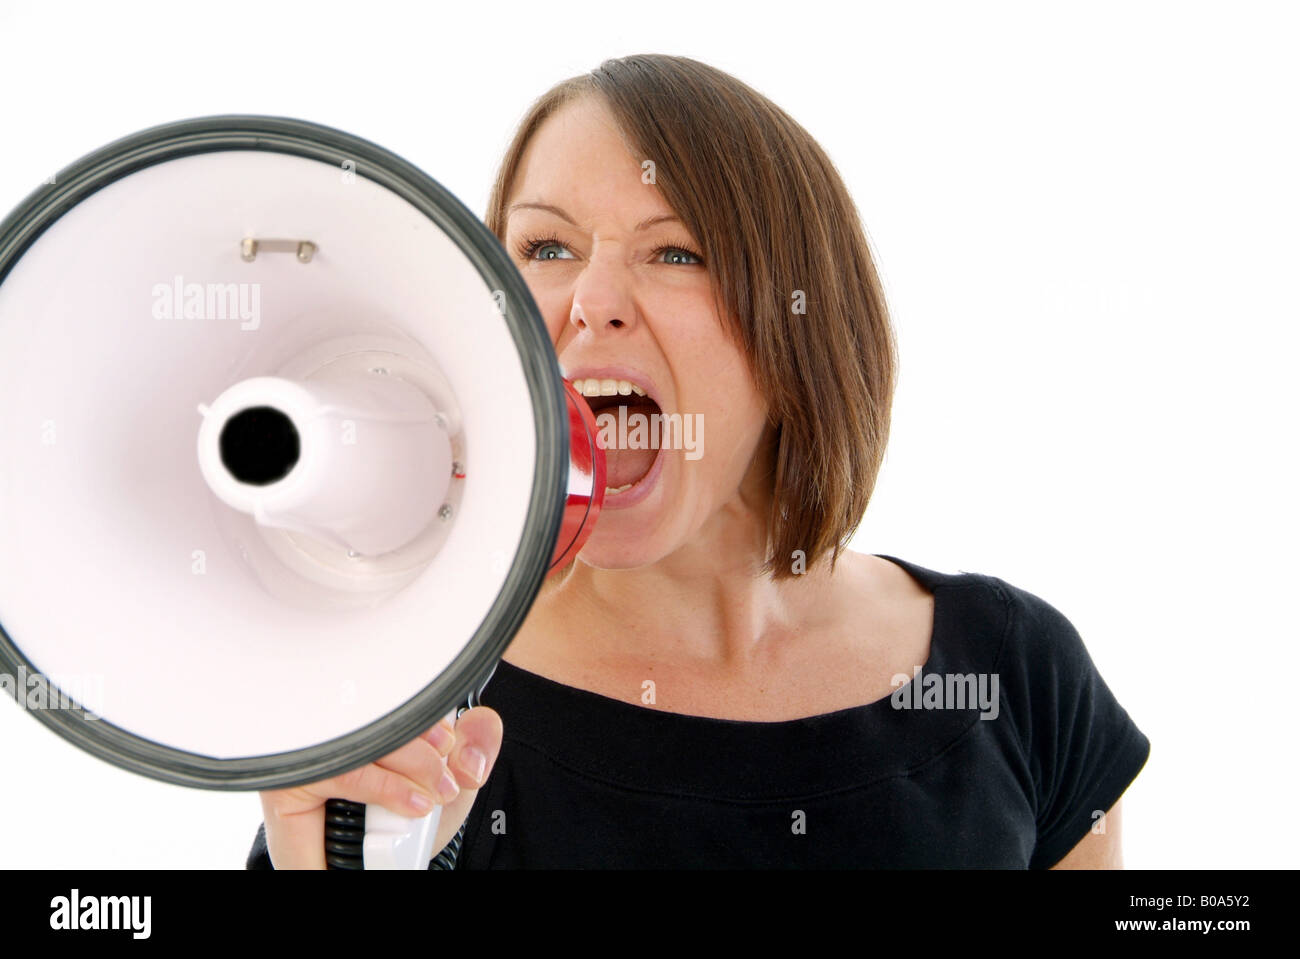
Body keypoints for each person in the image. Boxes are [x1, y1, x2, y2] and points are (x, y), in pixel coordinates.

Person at [248, 53, 1149, 870]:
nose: (591, 301)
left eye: (676, 251)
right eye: (547, 248)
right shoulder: (412, 720)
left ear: (799, 326)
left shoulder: (1014, 668)